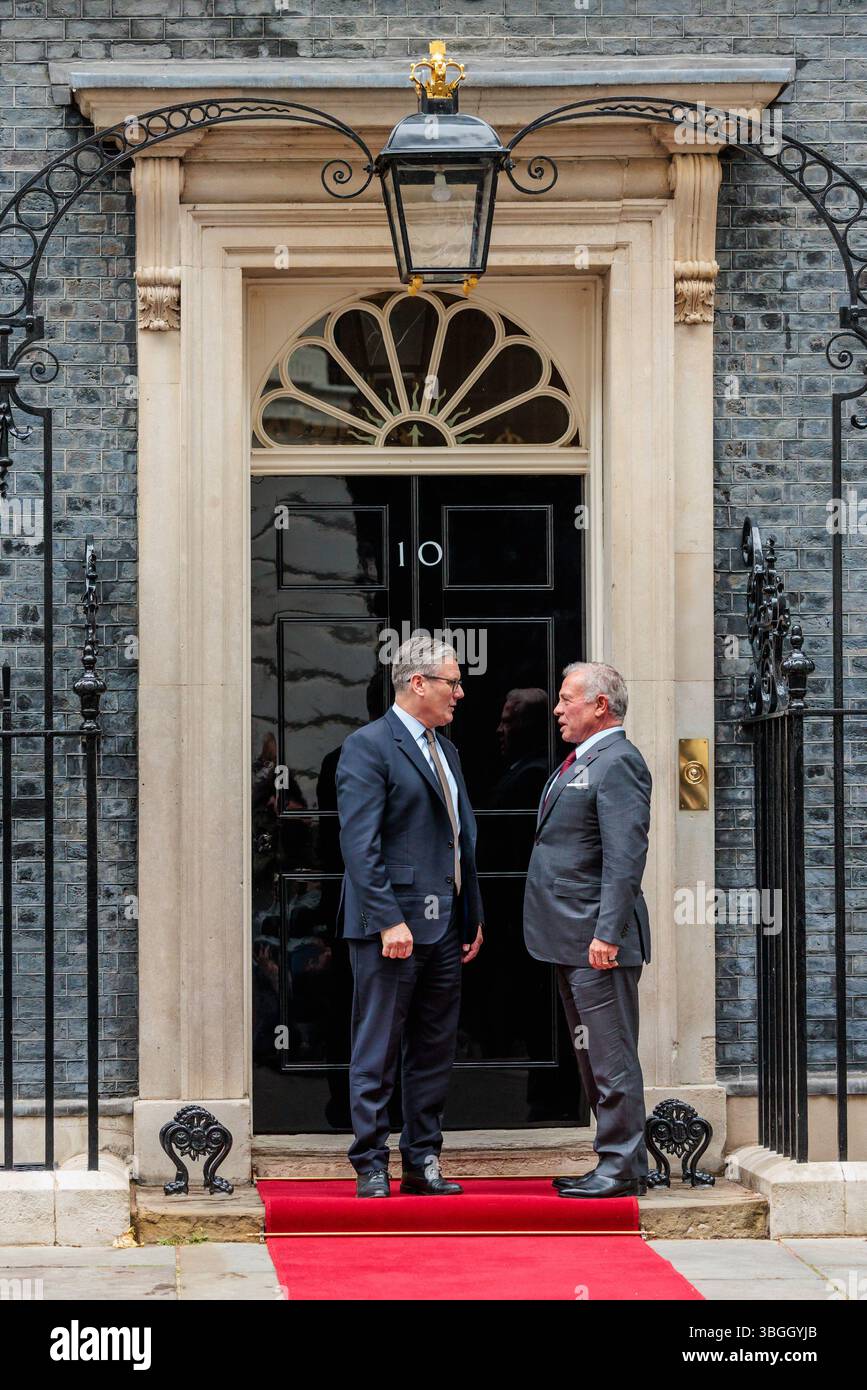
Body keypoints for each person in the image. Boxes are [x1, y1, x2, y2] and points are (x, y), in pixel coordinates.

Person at [335, 635, 484, 1198]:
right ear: (417, 683)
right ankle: (370, 1161)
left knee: (433, 1048)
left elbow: (459, 839)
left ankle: (423, 1159)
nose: (460, 693)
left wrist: (471, 913)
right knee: (376, 1047)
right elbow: (360, 844)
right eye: (452, 682)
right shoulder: (368, 746)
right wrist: (387, 919)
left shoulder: (448, 751)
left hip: (445, 926)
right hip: (390, 928)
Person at [523, 661, 652, 1199]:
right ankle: (620, 1160)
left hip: (597, 940)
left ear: (601, 705)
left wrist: (607, 934)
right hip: (570, 935)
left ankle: (620, 1165)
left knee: (610, 1053)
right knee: (592, 1054)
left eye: (566, 698)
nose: (557, 709)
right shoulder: (585, 759)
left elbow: (625, 859)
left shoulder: (619, 762)